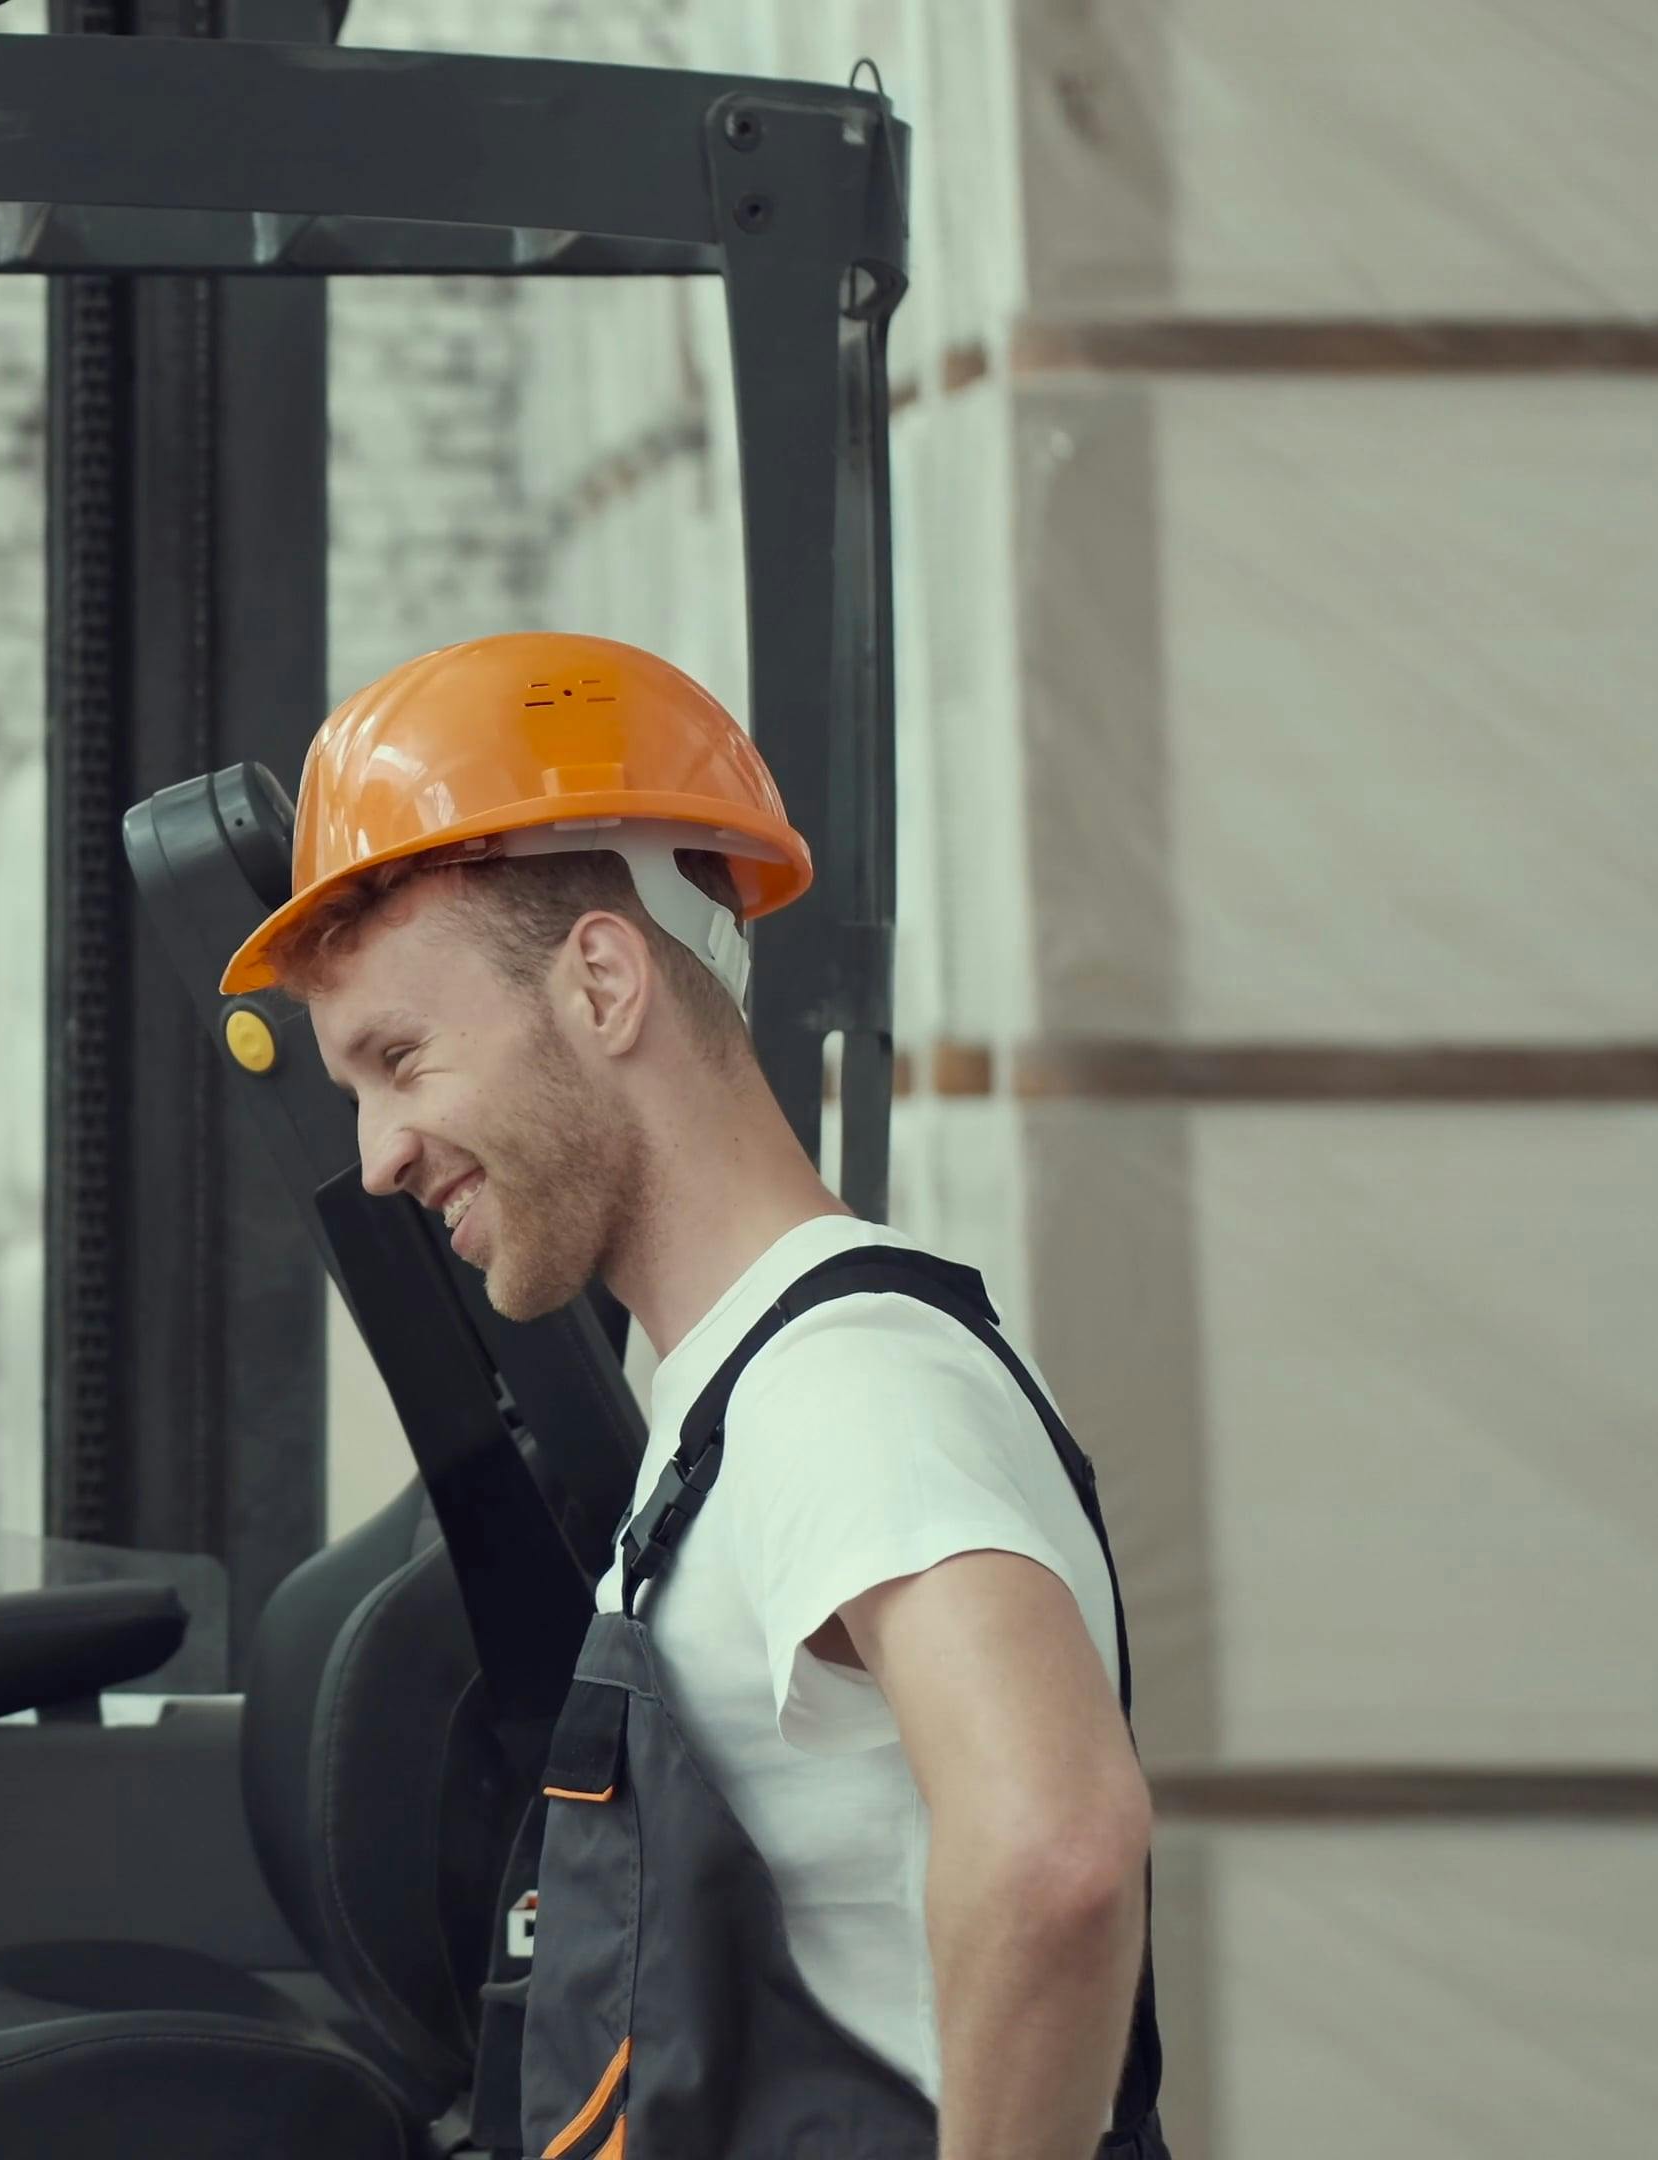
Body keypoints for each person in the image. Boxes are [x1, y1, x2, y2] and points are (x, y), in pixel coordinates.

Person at [218, 633, 1166, 2159]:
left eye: (400, 1058)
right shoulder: (730, 1403)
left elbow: (1054, 1847)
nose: (381, 1153)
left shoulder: (855, 1388)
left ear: (600, 981)